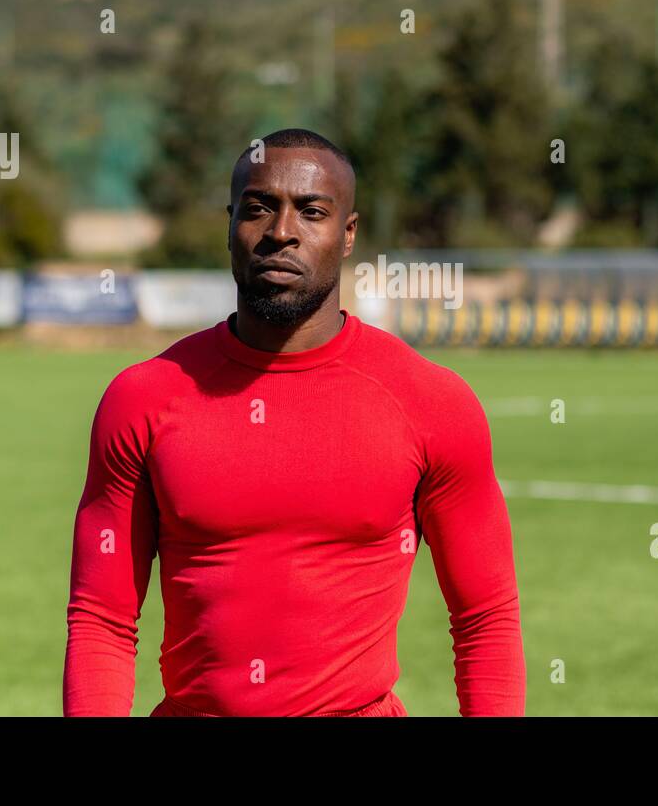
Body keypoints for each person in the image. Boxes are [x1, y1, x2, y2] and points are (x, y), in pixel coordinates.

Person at [63, 128, 525, 716]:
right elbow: (102, 618)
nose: (282, 232)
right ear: (230, 224)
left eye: (311, 211)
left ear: (348, 234)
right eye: (258, 208)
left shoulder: (430, 401)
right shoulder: (143, 398)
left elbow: (485, 617)